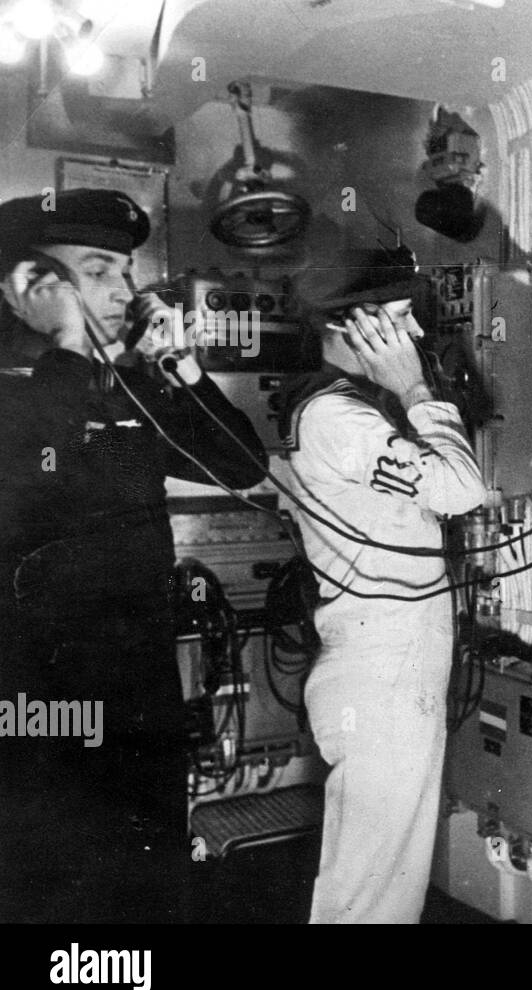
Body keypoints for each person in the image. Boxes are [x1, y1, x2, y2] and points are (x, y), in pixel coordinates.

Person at [0, 188, 268, 921]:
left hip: (138, 683)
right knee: (54, 887)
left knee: (142, 885)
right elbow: (34, 478)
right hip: (40, 701)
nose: (126, 289)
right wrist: (63, 349)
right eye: (99, 269)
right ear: (28, 286)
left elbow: (242, 466)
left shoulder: (117, 386)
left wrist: (178, 367)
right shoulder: (24, 393)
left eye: (126, 269)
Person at [283, 247, 486, 923]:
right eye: (402, 319)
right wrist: (418, 389)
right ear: (349, 326)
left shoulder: (356, 410)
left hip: (396, 662)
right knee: (369, 898)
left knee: (387, 892)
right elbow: (461, 489)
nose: (419, 335)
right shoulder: (337, 419)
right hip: (379, 672)